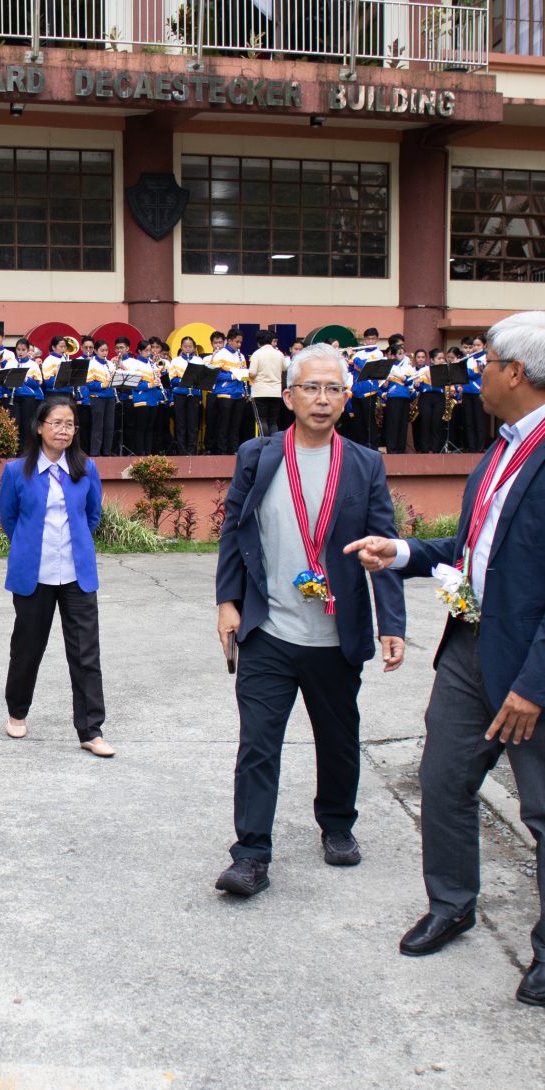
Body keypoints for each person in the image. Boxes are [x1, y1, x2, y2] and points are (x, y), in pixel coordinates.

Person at [344, 310, 545, 1008]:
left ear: (516, 372)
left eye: (486, 361)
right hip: (471, 646)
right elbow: (473, 552)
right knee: (444, 780)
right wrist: (399, 552)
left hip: (537, 670)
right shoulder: (503, 448)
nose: (477, 372)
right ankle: (453, 902)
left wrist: (534, 685)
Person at [214, 344, 406, 897]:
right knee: (257, 745)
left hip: (334, 633)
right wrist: (227, 600)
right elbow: (235, 529)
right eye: (312, 389)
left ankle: (338, 824)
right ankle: (251, 854)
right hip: (268, 630)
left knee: (339, 739)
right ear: (290, 395)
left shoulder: (365, 464)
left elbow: (383, 548)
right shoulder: (258, 454)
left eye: (334, 390)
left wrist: (391, 621)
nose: (322, 399)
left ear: (346, 399)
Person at [0, 395, 112, 756]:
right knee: (27, 648)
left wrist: (73, 543)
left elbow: (92, 515)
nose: (63, 430)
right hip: (33, 574)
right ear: (39, 426)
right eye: (56, 423)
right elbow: (10, 519)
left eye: (70, 424)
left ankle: (91, 730)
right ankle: (17, 712)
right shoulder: (17, 471)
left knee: (85, 653)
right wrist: (32, 546)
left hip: (77, 575)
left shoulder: (85, 468)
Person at [206, 329, 250, 454]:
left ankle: (234, 450)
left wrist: (245, 376)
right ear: (229, 340)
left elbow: (243, 373)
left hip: (238, 393)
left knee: (235, 425)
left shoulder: (241, 356)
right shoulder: (221, 354)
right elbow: (214, 375)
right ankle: (222, 451)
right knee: (223, 424)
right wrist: (232, 376)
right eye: (237, 342)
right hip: (224, 393)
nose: (239, 345)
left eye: (240, 342)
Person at [248, 333, 290, 436]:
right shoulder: (279, 353)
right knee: (273, 421)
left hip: (260, 392)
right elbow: (285, 368)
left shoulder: (257, 354)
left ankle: (264, 444)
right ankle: (274, 444)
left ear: (258, 343)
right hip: (275, 392)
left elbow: (252, 373)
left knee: (261, 420)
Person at [168, 336, 204, 455]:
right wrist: (185, 381)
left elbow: (203, 378)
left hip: (194, 395)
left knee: (193, 424)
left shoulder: (199, 360)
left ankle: (192, 451)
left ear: (194, 348)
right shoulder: (176, 361)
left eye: (190, 346)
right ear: (181, 347)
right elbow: (171, 380)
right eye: (185, 346)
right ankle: (182, 451)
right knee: (180, 423)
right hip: (180, 395)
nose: (187, 348)